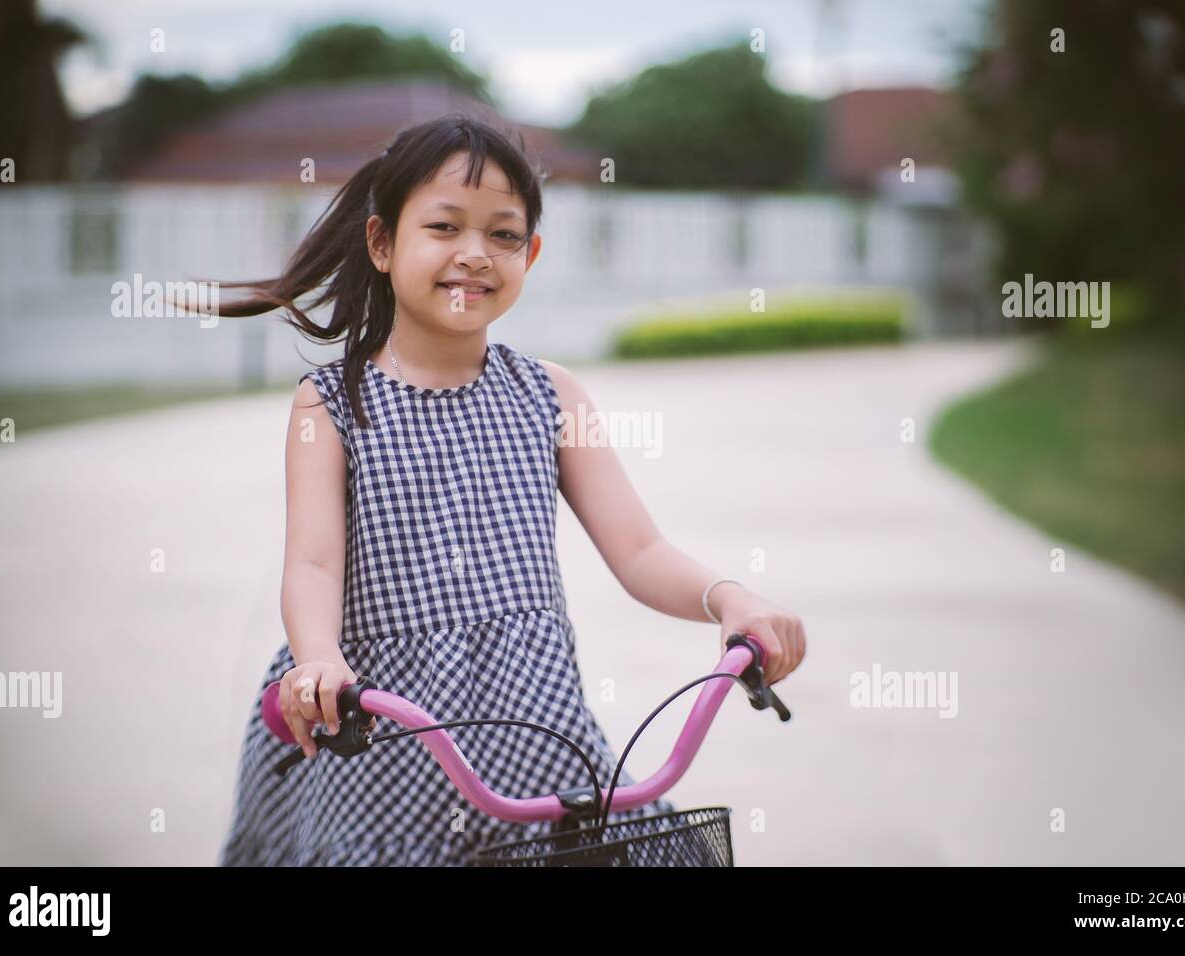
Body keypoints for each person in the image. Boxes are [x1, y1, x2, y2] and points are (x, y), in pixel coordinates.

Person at [216, 114, 806, 866]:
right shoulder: (332, 403)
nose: (474, 254)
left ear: (529, 254)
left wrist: (730, 598)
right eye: (444, 226)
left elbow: (639, 547)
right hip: (382, 733)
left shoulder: (551, 395)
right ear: (383, 244)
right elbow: (313, 565)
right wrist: (318, 659)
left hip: (534, 727)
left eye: (502, 235)